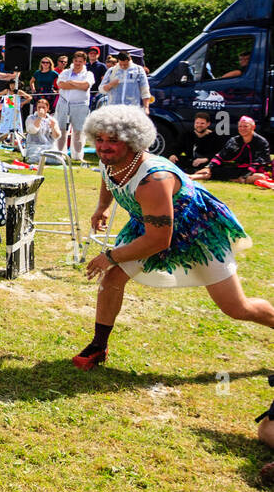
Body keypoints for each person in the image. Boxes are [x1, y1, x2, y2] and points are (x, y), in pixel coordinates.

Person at [80, 106, 273, 380]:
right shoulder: (109, 159)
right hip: (149, 224)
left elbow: (158, 240)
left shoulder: (153, 179)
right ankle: (98, 346)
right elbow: (108, 177)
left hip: (198, 233)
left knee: (236, 308)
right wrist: (103, 206)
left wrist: (110, 255)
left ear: (132, 140)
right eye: (99, 139)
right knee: (112, 280)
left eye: (113, 140)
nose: (104, 146)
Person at [191, 116, 272, 185]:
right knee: (211, 171)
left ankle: (238, 180)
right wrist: (209, 167)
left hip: (253, 171)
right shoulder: (234, 140)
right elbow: (221, 155)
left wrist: (244, 176)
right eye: (240, 126)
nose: (242, 129)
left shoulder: (261, 142)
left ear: (253, 127)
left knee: (259, 177)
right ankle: (190, 177)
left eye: (245, 126)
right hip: (237, 169)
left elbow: (260, 161)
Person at [54, 50, 94, 161]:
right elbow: (61, 85)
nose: (77, 63)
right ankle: (59, 154)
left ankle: (77, 157)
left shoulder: (88, 74)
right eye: (76, 61)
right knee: (61, 130)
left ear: (84, 62)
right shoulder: (66, 72)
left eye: (80, 61)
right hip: (63, 104)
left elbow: (86, 86)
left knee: (78, 132)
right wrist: (77, 85)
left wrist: (71, 82)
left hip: (80, 106)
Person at [23, 97, 61, 165]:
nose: (41, 109)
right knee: (35, 159)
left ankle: (46, 158)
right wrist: (39, 117)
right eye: (39, 107)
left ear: (47, 108)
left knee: (58, 160)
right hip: (34, 146)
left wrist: (53, 127)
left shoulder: (52, 120)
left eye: (43, 107)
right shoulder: (31, 118)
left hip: (49, 146)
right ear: (36, 108)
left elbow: (56, 136)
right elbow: (32, 131)